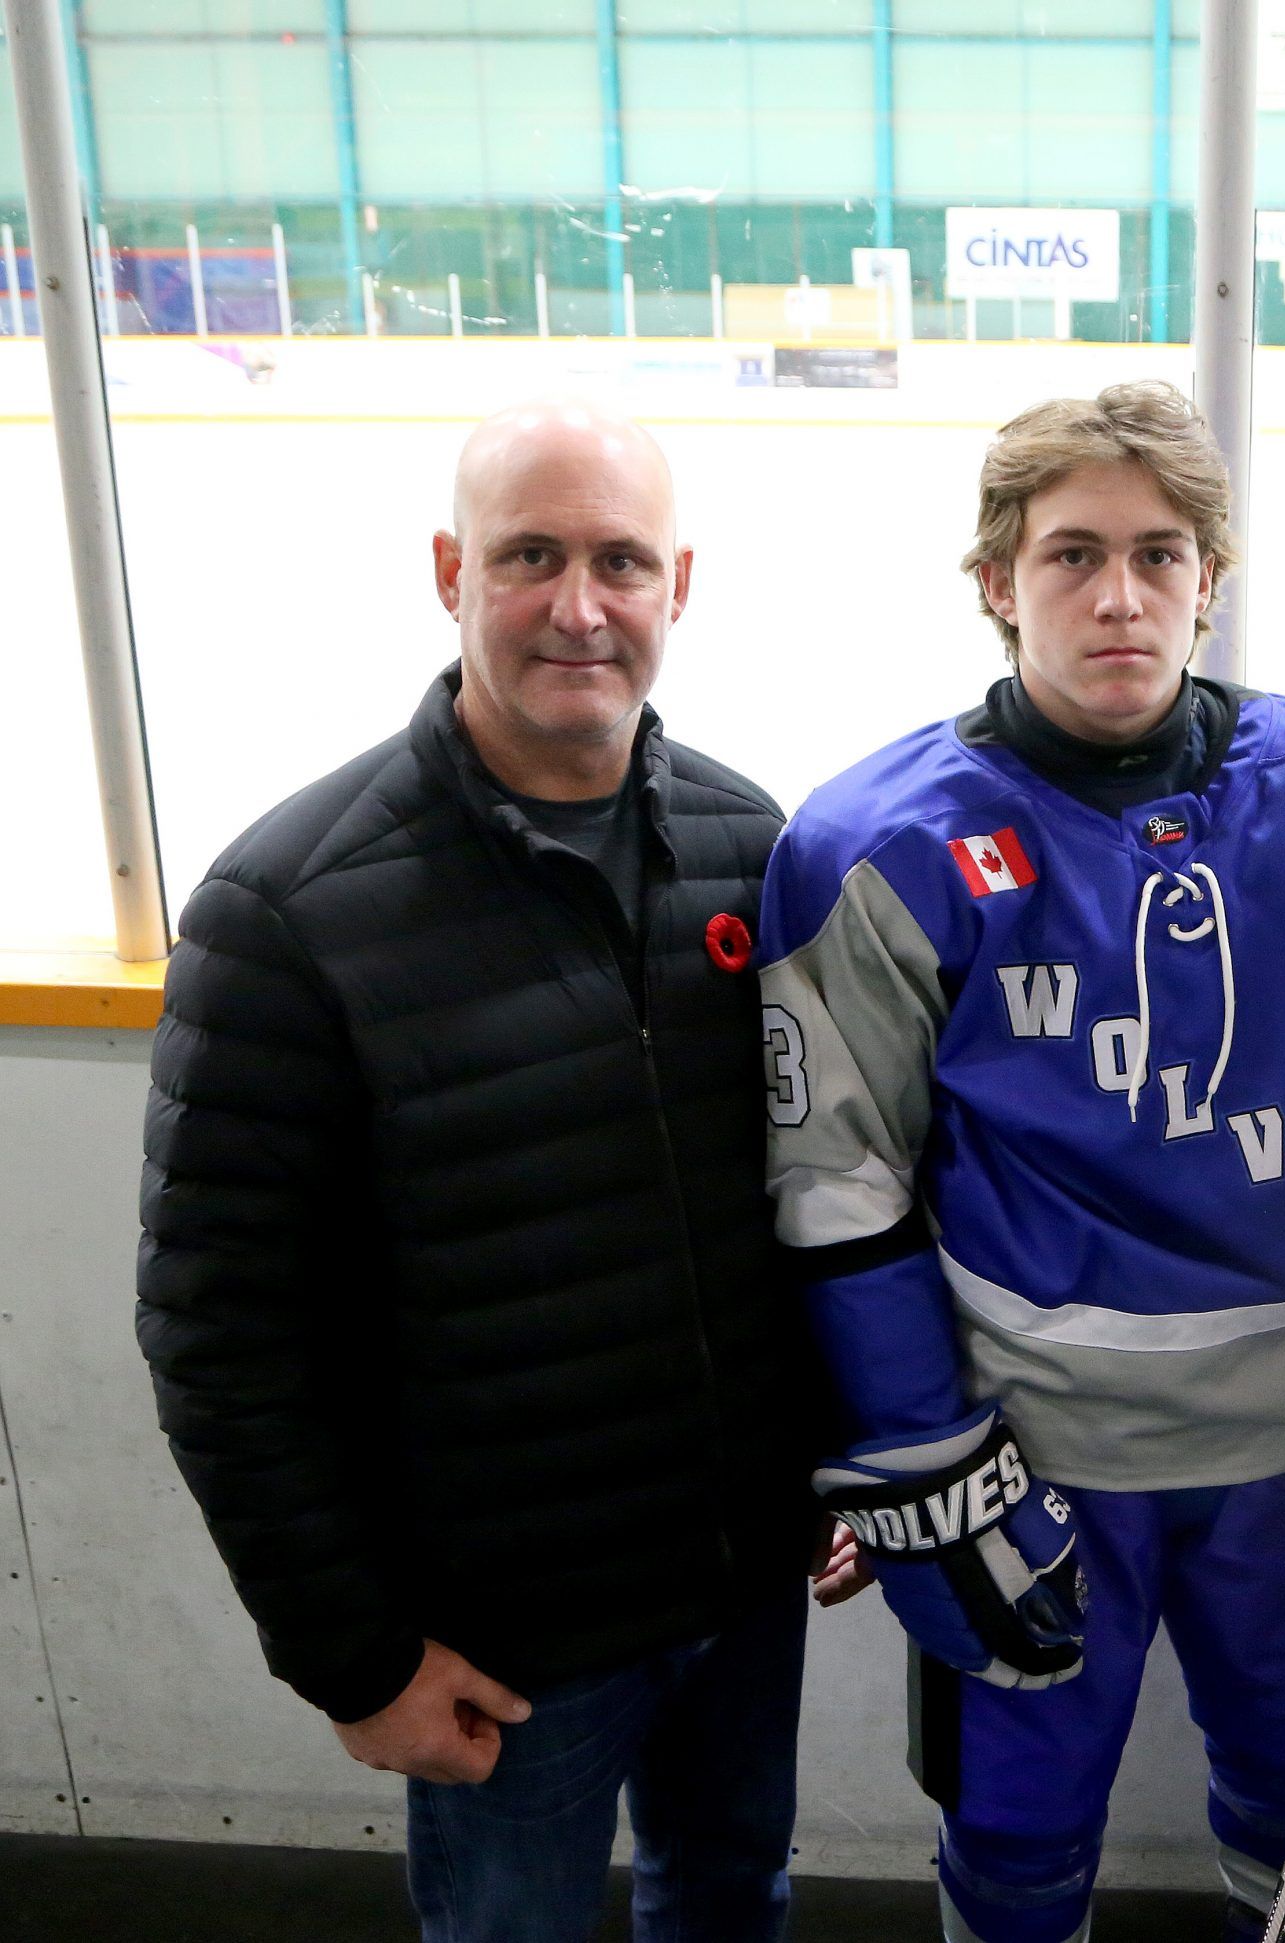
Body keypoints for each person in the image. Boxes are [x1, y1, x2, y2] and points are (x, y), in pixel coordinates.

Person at [755, 380, 1285, 1943]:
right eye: (1071, 554)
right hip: (1030, 1455)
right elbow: (838, 1185)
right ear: (996, 582)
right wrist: (922, 1456)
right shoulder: (876, 841)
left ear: (1214, 578)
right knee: (1012, 1828)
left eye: (1160, 553)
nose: (1120, 595)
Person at [137, 400, 830, 1943]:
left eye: (619, 561)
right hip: (508, 1644)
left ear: (680, 586)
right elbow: (219, 1335)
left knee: (730, 1895)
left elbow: (802, 1198)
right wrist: (357, 1656)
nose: (579, 606)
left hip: (737, 1589)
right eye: (531, 556)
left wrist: (837, 1450)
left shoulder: (751, 842)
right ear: (451, 569)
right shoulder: (288, 909)